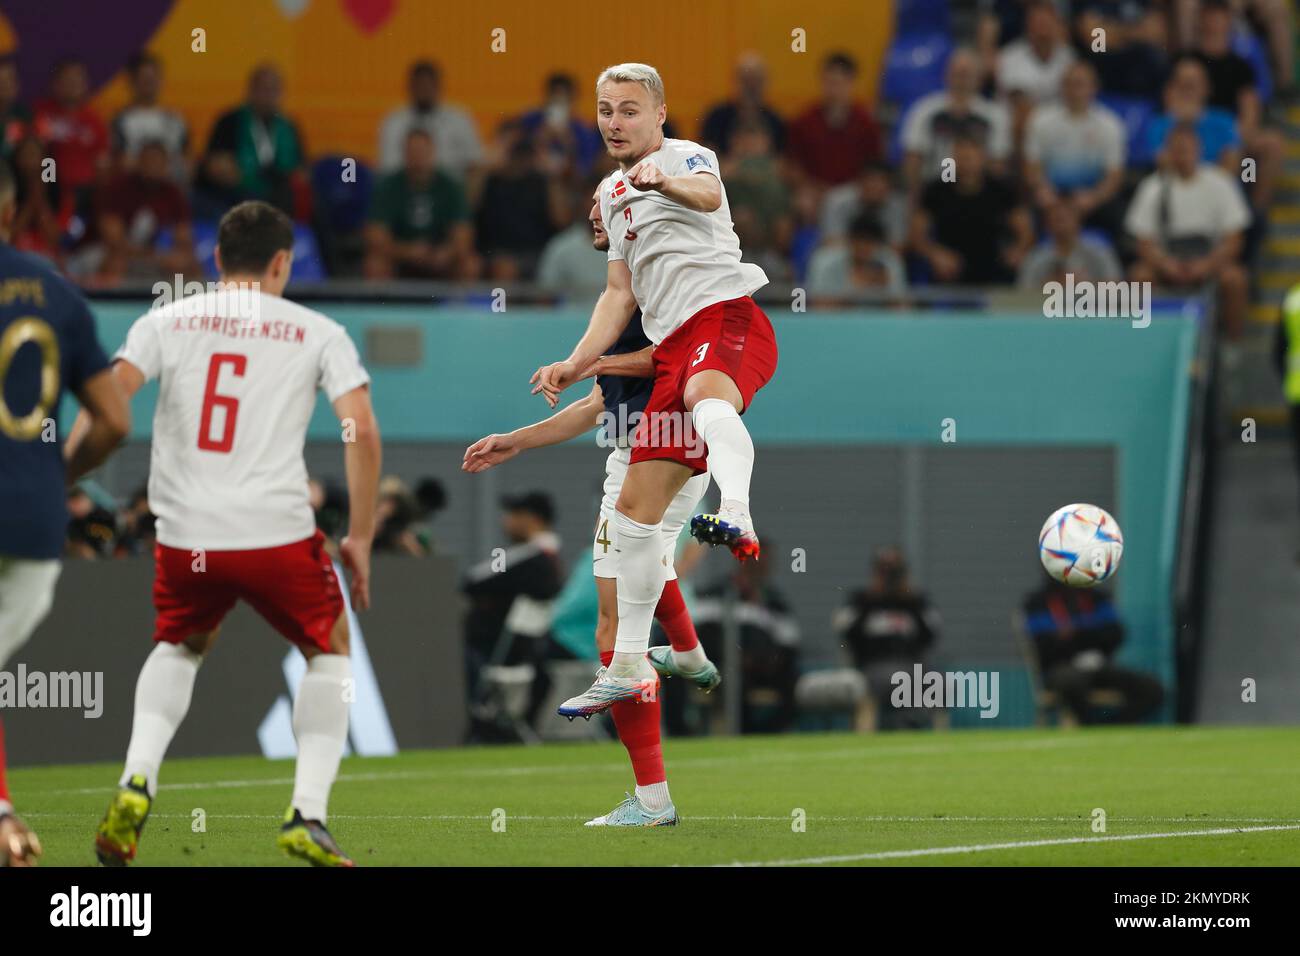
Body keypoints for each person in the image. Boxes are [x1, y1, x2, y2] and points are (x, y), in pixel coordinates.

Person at [86, 200, 381, 868]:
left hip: (186, 536)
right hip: (275, 534)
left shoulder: (165, 319)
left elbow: (112, 396)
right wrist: (359, 536)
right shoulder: (318, 331)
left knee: (181, 643)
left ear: (217, 260)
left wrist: (64, 471)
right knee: (330, 648)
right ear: (282, 263)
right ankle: (307, 813)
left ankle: (137, 780)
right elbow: (360, 428)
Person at [530, 63, 778, 812]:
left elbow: (705, 194)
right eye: (605, 111)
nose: (614, 122)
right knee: (633, 518)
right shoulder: (609, 194)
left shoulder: (685, 159)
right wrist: (577, 363)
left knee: (708, 396)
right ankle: (634, 660)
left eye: (629, 110)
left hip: (724, 318)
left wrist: (661, 182)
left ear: (660, 113)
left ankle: (736, 508)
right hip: (671, 348)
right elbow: (619, 295)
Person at [464, 187, 717, 826]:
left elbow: (673, 356)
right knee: (634, 590)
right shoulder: (621, 295)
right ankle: (681, 661)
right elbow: (603, 402)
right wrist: (514, 441)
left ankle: (654, 789)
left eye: (607, 207)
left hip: (662, 450)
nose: (594, 216)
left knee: (617, 630)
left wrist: (587, 362)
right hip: (638, 453)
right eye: (592, 209)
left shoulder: (657, 283)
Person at [0, 158, 130, 866]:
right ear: (15, 212)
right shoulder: (56, 292)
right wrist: (54, 477)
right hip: (30, 523)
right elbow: (112, 419)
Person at [1125, 122, 1250, 337]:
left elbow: (1234, 239)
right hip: (1168, 257)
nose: (1182, 155)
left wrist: (1207, 265)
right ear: (1167, 152)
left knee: (1235, 279)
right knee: (1139, 276)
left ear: (1199, 149)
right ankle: (1142, 338)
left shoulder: (1220, 183)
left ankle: (1233, 344)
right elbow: (1143, 242)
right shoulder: (1152, 187)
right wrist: (1166, 264)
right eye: (1177, 150)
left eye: (1187, 149)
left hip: (1208, 256)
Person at [459, 492, 565, 739]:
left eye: (513, 515)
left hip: (496, 654)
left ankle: (487, 729)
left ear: (532, 519)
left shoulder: (528, 556)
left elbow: (471, 580)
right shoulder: (552, 558)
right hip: (529, 657)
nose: (505, 521)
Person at [1021, 573, 1164, 724]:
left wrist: (1073, 634)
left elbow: (1116, 634)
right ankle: (1088, 725)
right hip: (1060, 668)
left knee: (1152, 690)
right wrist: (1089, 635)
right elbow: (1042, 646)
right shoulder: (1038, 602)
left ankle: (1110, 726)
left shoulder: (1098, 598)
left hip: (1099, 667)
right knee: (1071, 682)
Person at [832, 548, 941, 730]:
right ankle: (905, 721)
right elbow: (845, 631)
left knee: (938, 682)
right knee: (898, 679)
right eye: (885, 570)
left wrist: (910, 599)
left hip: (912, 664)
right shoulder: (861, 600)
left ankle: (912, 721)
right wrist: (872, 598)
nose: (891, 576)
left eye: (895, 570)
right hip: (874, 667)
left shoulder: (916, 602)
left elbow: (932, 633)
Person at [909, 131, 1033, 285]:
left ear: (983, 158)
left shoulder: (1002, 190)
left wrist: (1018, 251)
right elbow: (916, 236)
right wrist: (934, 254)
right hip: (948, 270)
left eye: (970, 157)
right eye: (961, 157)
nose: (966, 162)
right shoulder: (936, 190)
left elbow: (1025, 232)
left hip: (994, 268)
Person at [194, 64, 305, 217]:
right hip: (237, 191)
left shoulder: (289, 126)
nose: (268, 96)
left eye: (274, 90)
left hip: (278, 193)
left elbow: (301, 168)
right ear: (251, 90)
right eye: (263, 89)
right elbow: (214, 163)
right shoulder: (230, 121)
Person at [363, 128, 476, 280]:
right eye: (413, 151)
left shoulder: (451, 186)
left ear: (432, 152)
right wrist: (407, 252)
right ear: (404, 153)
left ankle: (459, 304)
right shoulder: (388, 186)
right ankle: (382, 304)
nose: (418, 156)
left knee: (469, 265)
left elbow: (463, 235)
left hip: (440, 258)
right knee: (375, 265)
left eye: (422, 151)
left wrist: (445, 253)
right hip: (399, 257)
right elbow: (376, 237)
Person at [900, 47, 1012, 195]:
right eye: (958, 74)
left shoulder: (994, 116)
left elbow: (998, 163)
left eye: (966, 74)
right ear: (946, 75)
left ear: (978, 78)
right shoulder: (924, 110)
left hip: (979, 195)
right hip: (933, 192)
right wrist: (916, 196)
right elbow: (913, 157)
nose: (961, 80)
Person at [786, 53, 882, 188]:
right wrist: (808, 187)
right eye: (828, 82)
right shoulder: (804, 122)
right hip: (813, 192)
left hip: (854, 194)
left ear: (851, 83)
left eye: (838, 83)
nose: (833, 90)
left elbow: (875, 168)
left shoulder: (866, 124)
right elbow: (793, 164)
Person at [377, 61, 482, 182]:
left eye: (428, 85)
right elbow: (387, 169)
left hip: (451, 194)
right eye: (419, 85)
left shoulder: (460, 120)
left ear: (438, 86)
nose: (423, 90)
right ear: (410, 87)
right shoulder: (393, 122)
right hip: (404, 194)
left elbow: (475, 164)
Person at [32, 59, 109, 200]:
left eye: (77, 80)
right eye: (67, 80)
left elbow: (101, 163)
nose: (73, 85)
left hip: (84, 191)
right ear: (55, 84)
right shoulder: (41, 113)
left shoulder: (94, 121)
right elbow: (35, 154)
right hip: (48, 187)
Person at [110, 52, 189, 183]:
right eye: (144, 79)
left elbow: (186, 161)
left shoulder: (176, 120)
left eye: (153, 78)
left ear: (160, 80)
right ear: (132, 82)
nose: (149, 83)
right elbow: (121, 162)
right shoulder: (121, 121)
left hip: (172, 189)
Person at [1017, 198, 1123, 289]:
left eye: (1065, 218)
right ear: (1047, 224)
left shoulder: (1099, 252)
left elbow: (1117, 289)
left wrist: (1087, 285)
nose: (1061, 224)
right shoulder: (1035, 258)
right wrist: (1047, 286)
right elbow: (1022, 293)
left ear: (1078, 221)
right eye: (1056, 219)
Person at [699, 52, 785, 157]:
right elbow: (705, 160)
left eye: (756, 80)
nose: (751, 86)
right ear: (735, 81)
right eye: (746, 80)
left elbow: (783, 163)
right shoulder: (716, 119)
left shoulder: (776, 121)